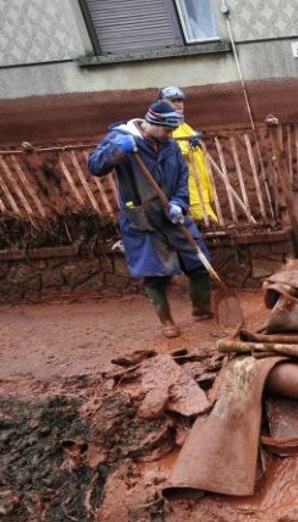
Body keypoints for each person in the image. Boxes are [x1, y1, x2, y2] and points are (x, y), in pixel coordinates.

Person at [87, 101, 213, 339]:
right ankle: (166, 322)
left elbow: (181, 178)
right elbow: (95, 166)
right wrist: (116, 150)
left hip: (173, 216)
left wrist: (179, 203)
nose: (170, 135)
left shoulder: (170, 146)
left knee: (198, 262)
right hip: (141, 217)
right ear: (152, 123)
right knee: (154, 273)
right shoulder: (121, 137)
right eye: (167, 130)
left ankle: (201, 309)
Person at [158, 86, 218, 225]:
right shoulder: (164, 128)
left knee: (210, 228)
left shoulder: (184, 127)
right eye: (173, 101)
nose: (179, 104)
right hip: (189, 192)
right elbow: (171, 151)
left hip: (201, 190)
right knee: (210, 228)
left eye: (180, 100)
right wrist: (189, 145)